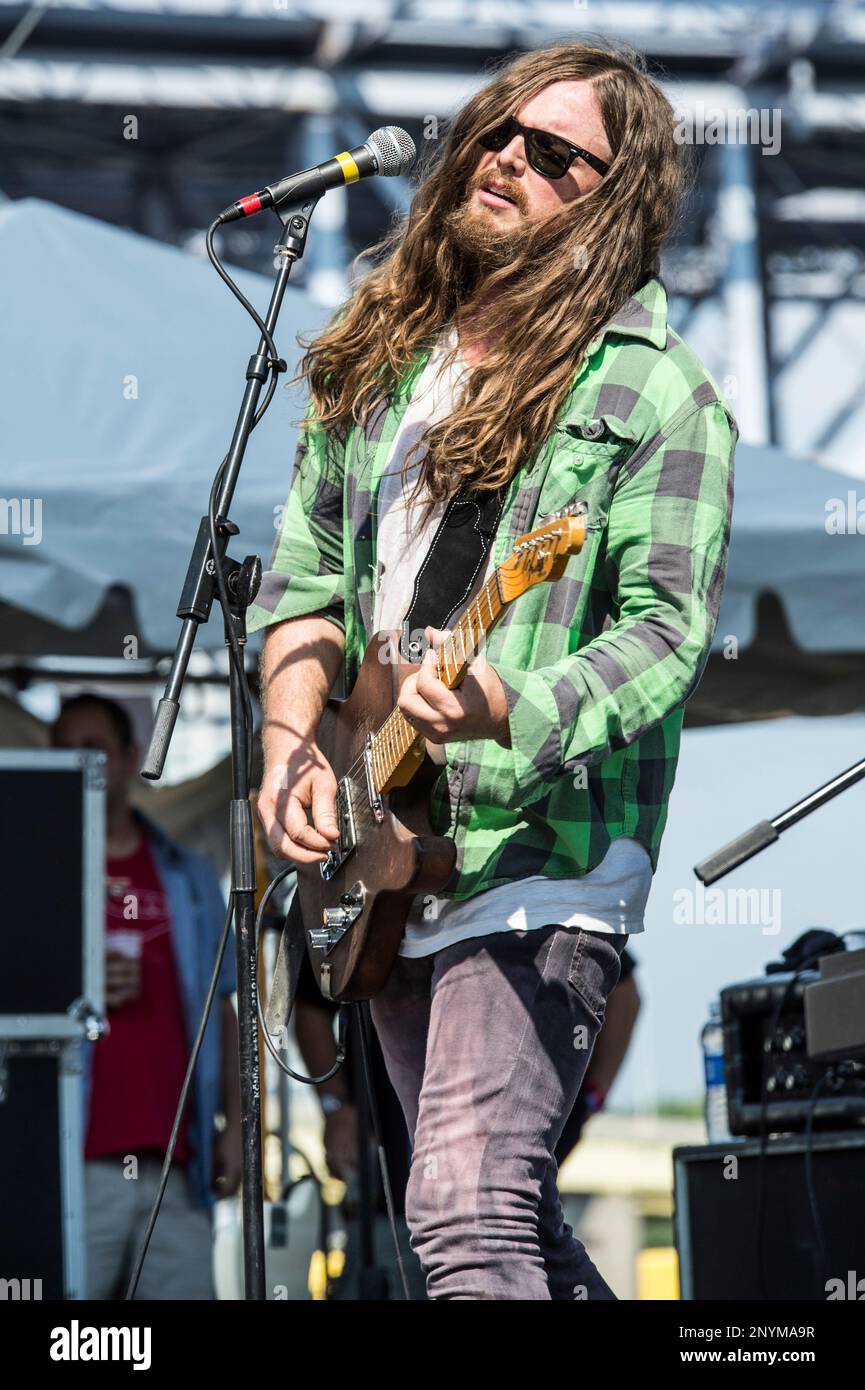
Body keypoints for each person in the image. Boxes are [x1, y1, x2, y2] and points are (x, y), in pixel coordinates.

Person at [251, 40, 737, 1300]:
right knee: (475, 1222)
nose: (506, 157)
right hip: (393, 841)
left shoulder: (656, 395)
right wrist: (291, 750)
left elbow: (667, 630)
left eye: (554, 152)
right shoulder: (378, 364)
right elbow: (304, 587)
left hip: (545, 856)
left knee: (465, 1212)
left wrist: (509, 702)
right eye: (495, 133)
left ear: (611, 199)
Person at [51, 693, 241, 1300]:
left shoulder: (187, 875)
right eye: (64, 753)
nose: (80, 765)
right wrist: (72, 989)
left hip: (178, 1168)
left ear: (132, 757)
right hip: (69, 1166)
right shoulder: (34, 877)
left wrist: (238, 1126)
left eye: (94, 751)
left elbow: (224, 1006)